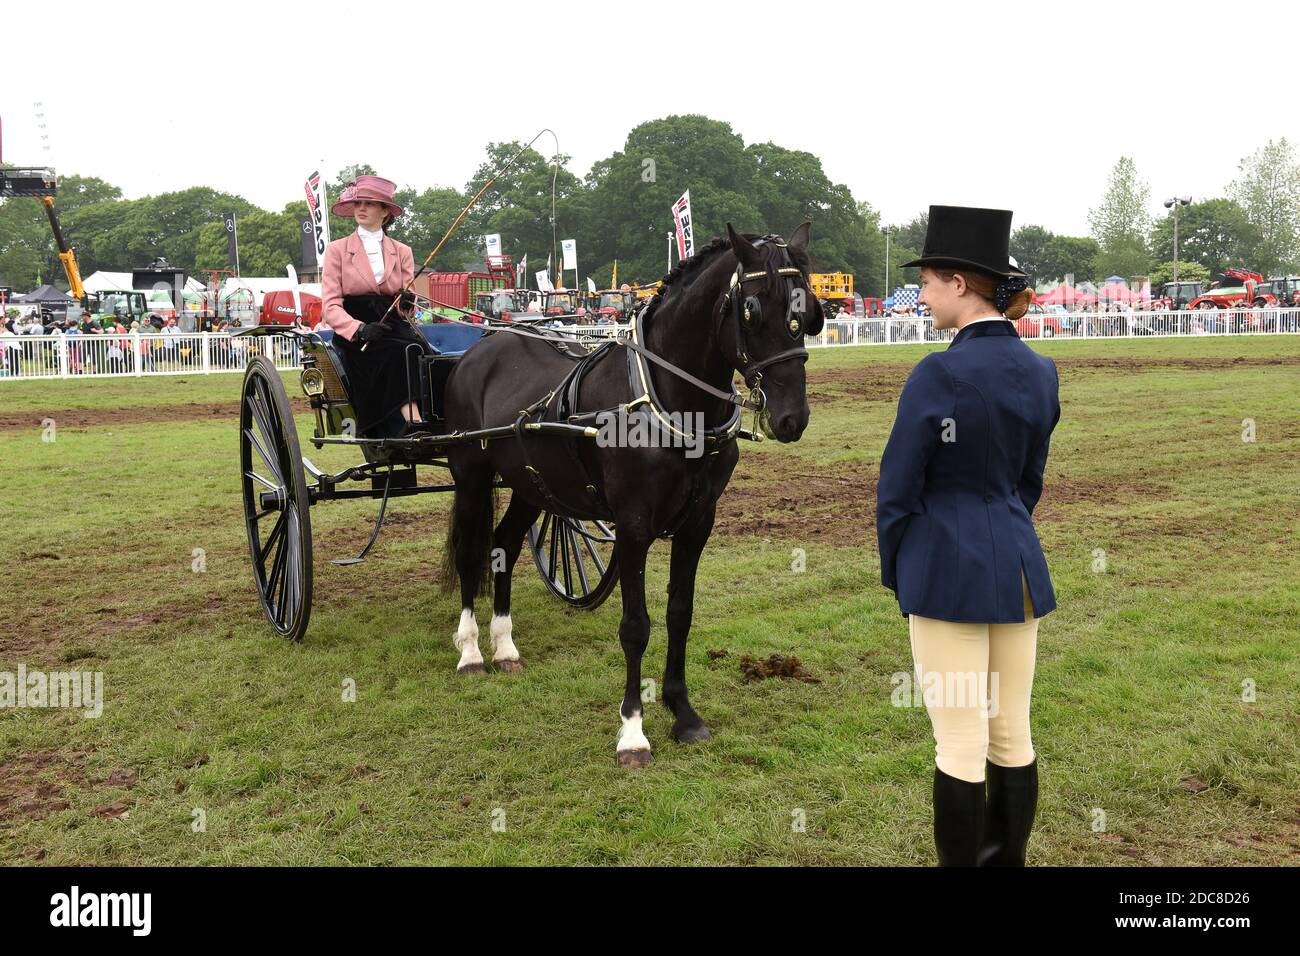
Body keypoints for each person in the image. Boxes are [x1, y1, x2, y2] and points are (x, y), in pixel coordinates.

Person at [877, 205, 1060, 867]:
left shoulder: (938, 373)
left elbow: (897, 491)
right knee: (1012, 734)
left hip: (946, 574)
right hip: (1016, 569)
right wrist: (1002, 531)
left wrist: (901, 569)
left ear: (960, 283)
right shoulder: (1042, 371)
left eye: (927, 282)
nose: (922, 297)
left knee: (958, 744)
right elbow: (1027, 483)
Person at [321, 175, 426, 437]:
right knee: (395, 352)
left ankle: (437, 416)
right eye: (358, 203)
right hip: (357, 332)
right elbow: (330, 306)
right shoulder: (337, 250)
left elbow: (408, 304)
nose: (361, 209)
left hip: (393, 323)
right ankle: (411, 421)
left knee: (421, 351)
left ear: (385, 212)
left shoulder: (402, 250)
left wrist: (407, 302)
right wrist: (359, 329)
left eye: (369, 203)